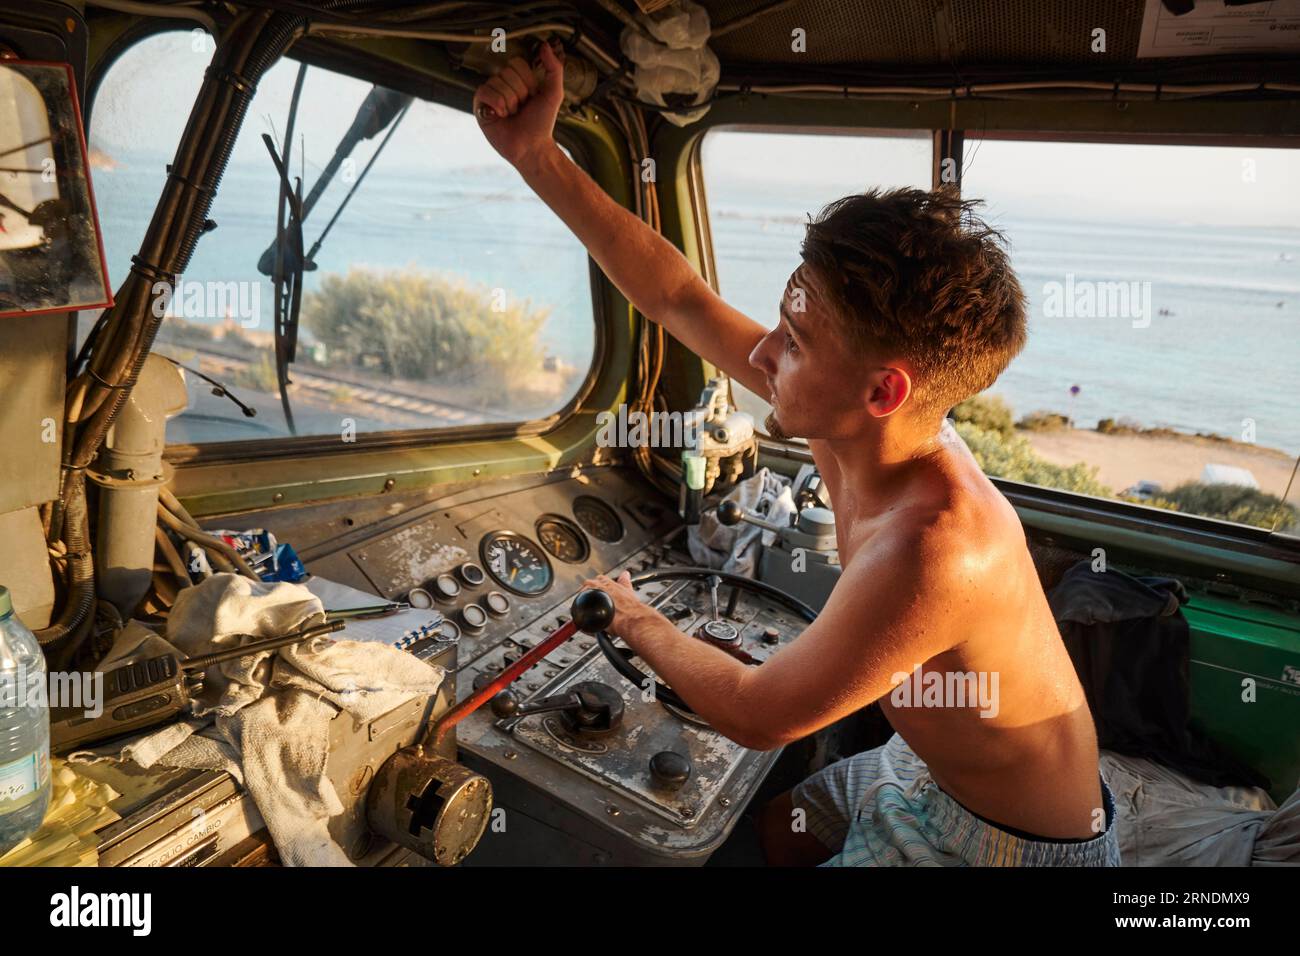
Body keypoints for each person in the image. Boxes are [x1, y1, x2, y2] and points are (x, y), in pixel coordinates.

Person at [472, 43, 1120, 866]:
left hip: (1003, 844)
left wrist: (631, 615)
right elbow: (678, 297)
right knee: (763, 843)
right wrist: (536, 154)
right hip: (915, 768)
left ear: (883, 390)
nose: (766, 349)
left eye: (798, 338)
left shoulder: (938, 548)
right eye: (786, 313)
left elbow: (757, 712)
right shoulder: (853, 412)